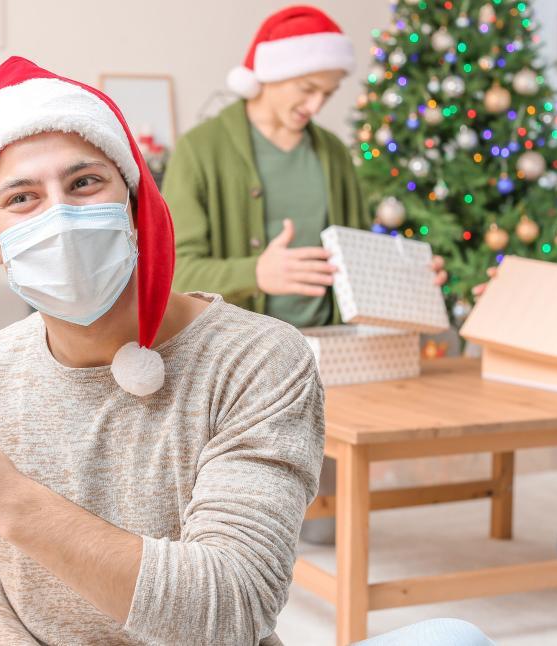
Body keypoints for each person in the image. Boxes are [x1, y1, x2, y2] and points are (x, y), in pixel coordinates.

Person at [0, 56, 325, 645]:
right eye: (22, 199)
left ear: (134, 203)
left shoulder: (259, 359)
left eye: (84, 183)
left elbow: (232, 606)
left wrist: (1, 494)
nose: (58, 216)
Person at [162, 4, 446, 544]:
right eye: (307, 88)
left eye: (327, 94)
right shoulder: (201, 150)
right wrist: (258, 272)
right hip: (239, 358)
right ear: (269, 75)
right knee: (232, 531)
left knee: (321, 532)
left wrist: (408, 277)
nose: (315, 105)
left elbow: (356, 251)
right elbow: (176, 272)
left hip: (325, 356)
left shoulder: (333, 153)